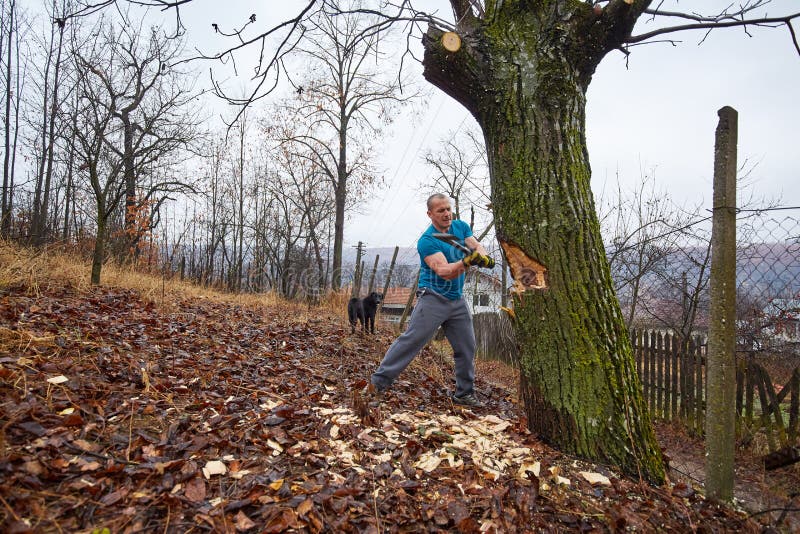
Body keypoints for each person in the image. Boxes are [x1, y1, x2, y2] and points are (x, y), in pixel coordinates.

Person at [365, 193, 495, 407]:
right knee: (412, 340)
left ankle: (464, 394)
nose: (446, 214)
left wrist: (482, 255)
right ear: (430, 214)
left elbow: (475, 244)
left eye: (448, 209)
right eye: (440, 211)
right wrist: (469, 261)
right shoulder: (427, 241)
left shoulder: (460, 226)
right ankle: (376, 385)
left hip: (456, 299)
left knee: (467, 346)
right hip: (433, 297)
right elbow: (445, 271)